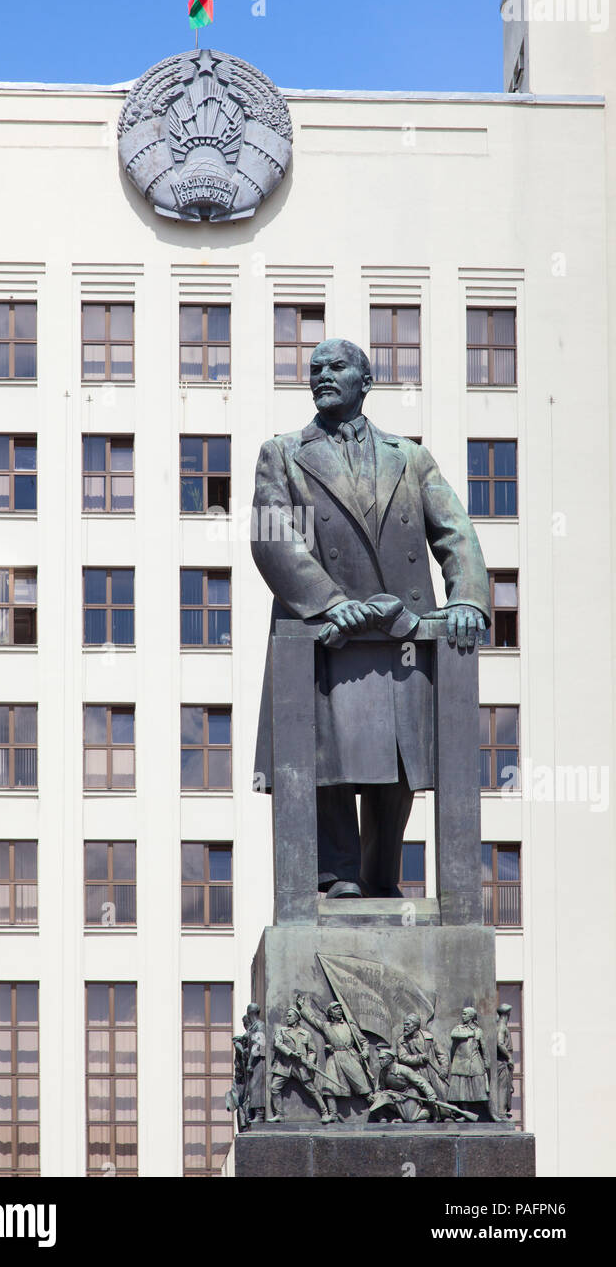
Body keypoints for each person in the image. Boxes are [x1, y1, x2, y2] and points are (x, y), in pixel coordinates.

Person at [252, 339, 490, 897]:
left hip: (401, 634)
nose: (322, 376)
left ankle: (381, 875)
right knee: (325, 759)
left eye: (336, 367)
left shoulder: (409, 456)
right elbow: (272, 537)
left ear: (366, 380)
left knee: (399, 763)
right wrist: (333, 602)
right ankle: (338, 877)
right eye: (315, 369)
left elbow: (455, 531)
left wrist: (467, 599)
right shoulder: (282, 453)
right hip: (327, 632)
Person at [297, 994, 374, 1119]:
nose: (339, 1011)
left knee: (362, 1086)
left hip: (349, 1055)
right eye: (336, 1009)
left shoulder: (350, 1025)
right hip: (334, 1057)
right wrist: (303, 1008)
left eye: (340, 1009)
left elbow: (363, 1041)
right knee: (329, 1085)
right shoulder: (326, 1025)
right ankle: (333, 1114)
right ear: (331, 1013)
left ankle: (380, 1112)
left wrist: (365, 1051)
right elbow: (312, 1019)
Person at [269, 1005, 334, 1123]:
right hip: (285, 1065)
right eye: (286, 1016)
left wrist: (309, 1061)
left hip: (301, 1066)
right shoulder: (281, 1031)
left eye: (289, 1016)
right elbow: (277, 1044)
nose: (287, 1018)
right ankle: (279, 1114)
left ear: (296, 1018)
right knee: (274, 1088)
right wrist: (291, 1053)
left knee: (312, 1090)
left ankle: (325, 1112)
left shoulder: (306, 1034)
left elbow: (312, 1051)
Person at [447, 1006, 497, 1120]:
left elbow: (483, 1047)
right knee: (462, 1092)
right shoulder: (459, 1028)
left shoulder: (478, 1030)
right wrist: (470, 1034)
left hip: (475, 1063)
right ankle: (465, 1114)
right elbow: (453, 1034)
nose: (462, 1015)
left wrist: (486, 1062)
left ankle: (492, 1114)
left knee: (482, 1090)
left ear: (471, 1016)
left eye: (465, 1014)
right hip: (461, 1063)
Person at [396, 1012, 450, 1100]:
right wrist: (420, 1058)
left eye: (407, 1024)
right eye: (404, 1024)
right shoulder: (401, 1041)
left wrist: (444, 1069)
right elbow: (403, 1057)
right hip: (415, 1076)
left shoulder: (429, 1037)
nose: (405, 1027)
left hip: (433, 1073)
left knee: (441, 1099)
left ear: (415, 1025)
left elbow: (442, 1054)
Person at [496, 1003, 515, 1119]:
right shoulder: (502, 1027)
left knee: (506, 1087)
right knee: (503, 1087)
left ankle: (502, 1111)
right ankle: (501, 1112)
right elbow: (500, 1043)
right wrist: (509, 1057)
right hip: (502, 1062)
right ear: (507, 1014)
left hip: (503, 1062)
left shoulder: (500, 1026)